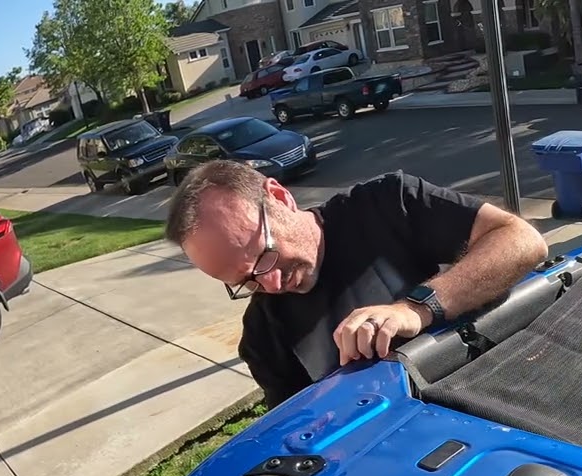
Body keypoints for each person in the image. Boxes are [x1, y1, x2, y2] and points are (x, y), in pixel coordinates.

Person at [164, 160, 549, 407]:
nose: (274, 282)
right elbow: (303, 437)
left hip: (503, 398)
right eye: (248, 281)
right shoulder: (264, 338)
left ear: (280, 197)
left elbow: (522, 241)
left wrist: (418, 308)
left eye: (265, 256)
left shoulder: (386, 204)